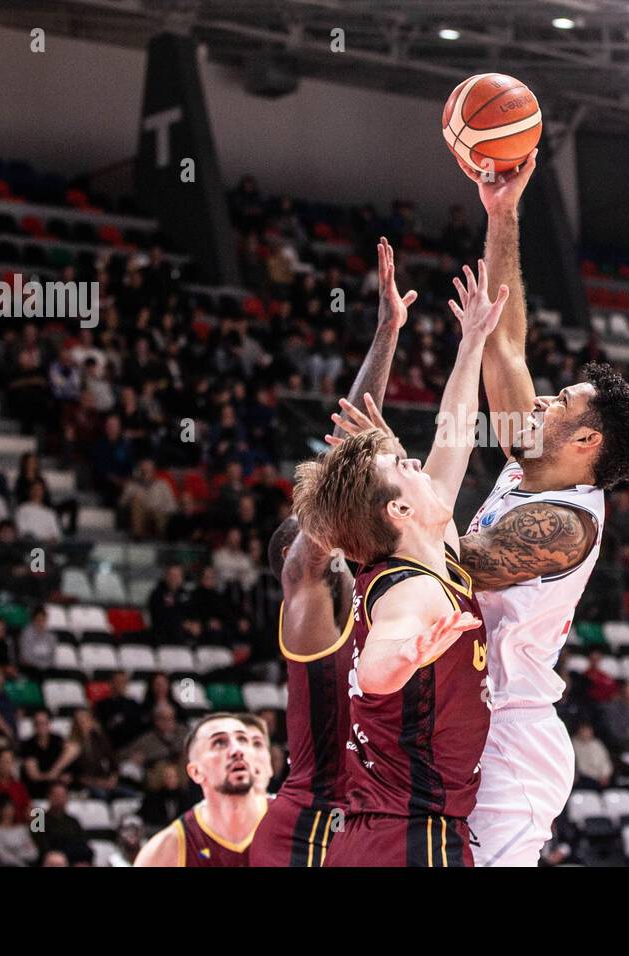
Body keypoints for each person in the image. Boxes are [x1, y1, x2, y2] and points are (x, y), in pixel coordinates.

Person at [431, 151, 629, 866]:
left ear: (584, 440)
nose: (541, 398)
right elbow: (505, 342)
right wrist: (502, 214)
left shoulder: (562, 523)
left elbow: (439, 568)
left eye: (560, 401)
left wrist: (378, 491)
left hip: (510, 740)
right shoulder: (529, 464)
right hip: (465, 719)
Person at [294, 257, 506, 867]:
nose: (419, 464)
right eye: (404, 469)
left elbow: (456, 436)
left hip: (387, 834)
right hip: (411, 836)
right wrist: (400, 659)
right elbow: (381, 662)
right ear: (398, 512)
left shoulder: (428, 554)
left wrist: (472, 344)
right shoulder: (413, 591)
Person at [250, 238, 410, 868]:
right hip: (310, 826)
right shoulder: (307, 601)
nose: (333, 541)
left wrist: (389, 327)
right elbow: (345, 453)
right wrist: (385, 337)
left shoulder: (382, 596)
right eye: (318, 535)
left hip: (368, 824)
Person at [133, 713, 269, 867]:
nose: (237, 750)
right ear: (195, 772)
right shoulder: (168, 849)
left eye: (242, 739)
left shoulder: (294, 821)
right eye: (219, 743)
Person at [0, 796, 39, 867]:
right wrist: (20, 860)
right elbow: (2, 856)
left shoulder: (22, 829)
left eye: (10, 808)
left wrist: (12, 852)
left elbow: (34, 853)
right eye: (5, 808)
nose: (8, 811)